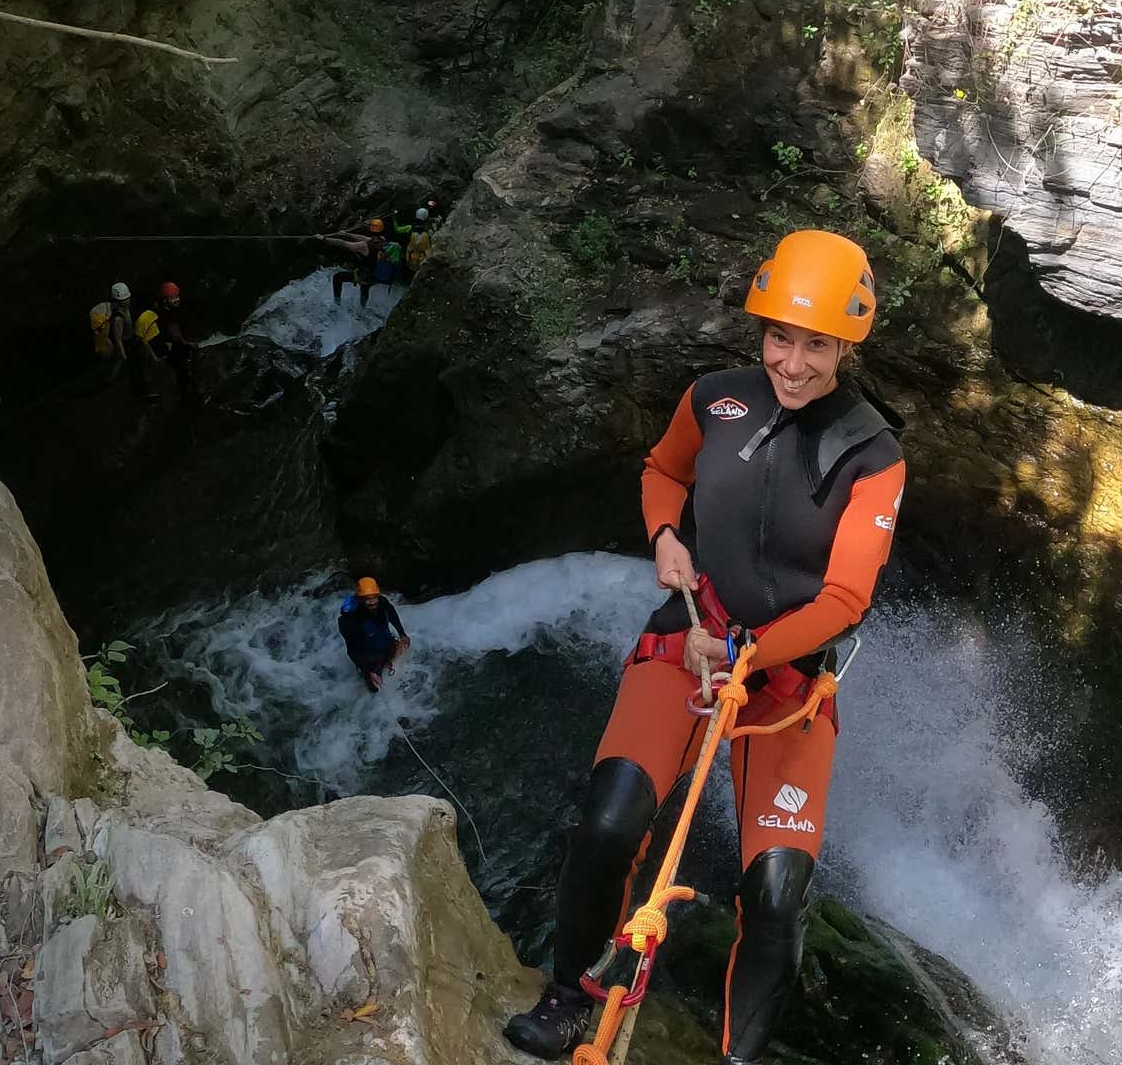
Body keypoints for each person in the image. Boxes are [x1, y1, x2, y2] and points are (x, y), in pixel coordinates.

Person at [503, 230, 906, 1063]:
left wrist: (751, 659)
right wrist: (662, 536)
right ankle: (571, 992)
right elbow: (663, 471)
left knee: (777, 891)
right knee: (610, 820)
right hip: (693, 635)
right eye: (780, 338)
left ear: (848, 345)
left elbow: (845, 598)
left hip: (785, 673)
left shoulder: (874, 454)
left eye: (817, 345)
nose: (792, 363)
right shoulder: (715, 400)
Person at [337, 577, 411, 692]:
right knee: (375, 688)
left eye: (374, 598)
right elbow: (352, 650)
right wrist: (368, 671)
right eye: (367, 599)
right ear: (360, 599)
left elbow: (392, 614)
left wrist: (402, 633)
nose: (372, 602)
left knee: (396, 649)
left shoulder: (382, 602)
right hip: (368, 655)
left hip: (383, 641)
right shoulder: (351, 619)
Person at [97, 282, 154, 400]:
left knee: (138, 367)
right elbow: (118, 338)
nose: (126, 302)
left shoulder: (127, 310)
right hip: (127, 345)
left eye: (127, 299)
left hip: (132, 341)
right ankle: (139, 393)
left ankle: (141, 390)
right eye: (123, 300)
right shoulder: (118, 317)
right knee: (133, 369)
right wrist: (123, 354)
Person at [147, 282, 199, 403]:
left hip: (170, 345)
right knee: (183, 372)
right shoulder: (167, 315)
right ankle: (185, 398)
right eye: (173, 298)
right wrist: (189, 344)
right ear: (165, 300)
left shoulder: (162, 308)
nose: (177, 300)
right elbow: (175, 335)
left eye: (177, 296)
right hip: (171, 348)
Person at [325, 218, 388, 307]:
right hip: (374, 275)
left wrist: (324, 239)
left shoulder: (363, 246)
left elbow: (342, 243)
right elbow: (363, 238)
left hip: (364, 275)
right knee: (365, 286)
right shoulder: (383, 241)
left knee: (337, 277)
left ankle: (337, 304)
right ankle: (363, 307)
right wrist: (348, 234)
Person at [403, 206, 432, 278]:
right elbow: (427, 250)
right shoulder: (425, 235)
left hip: (411, 256)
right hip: (419, 259)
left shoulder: (411, 229)